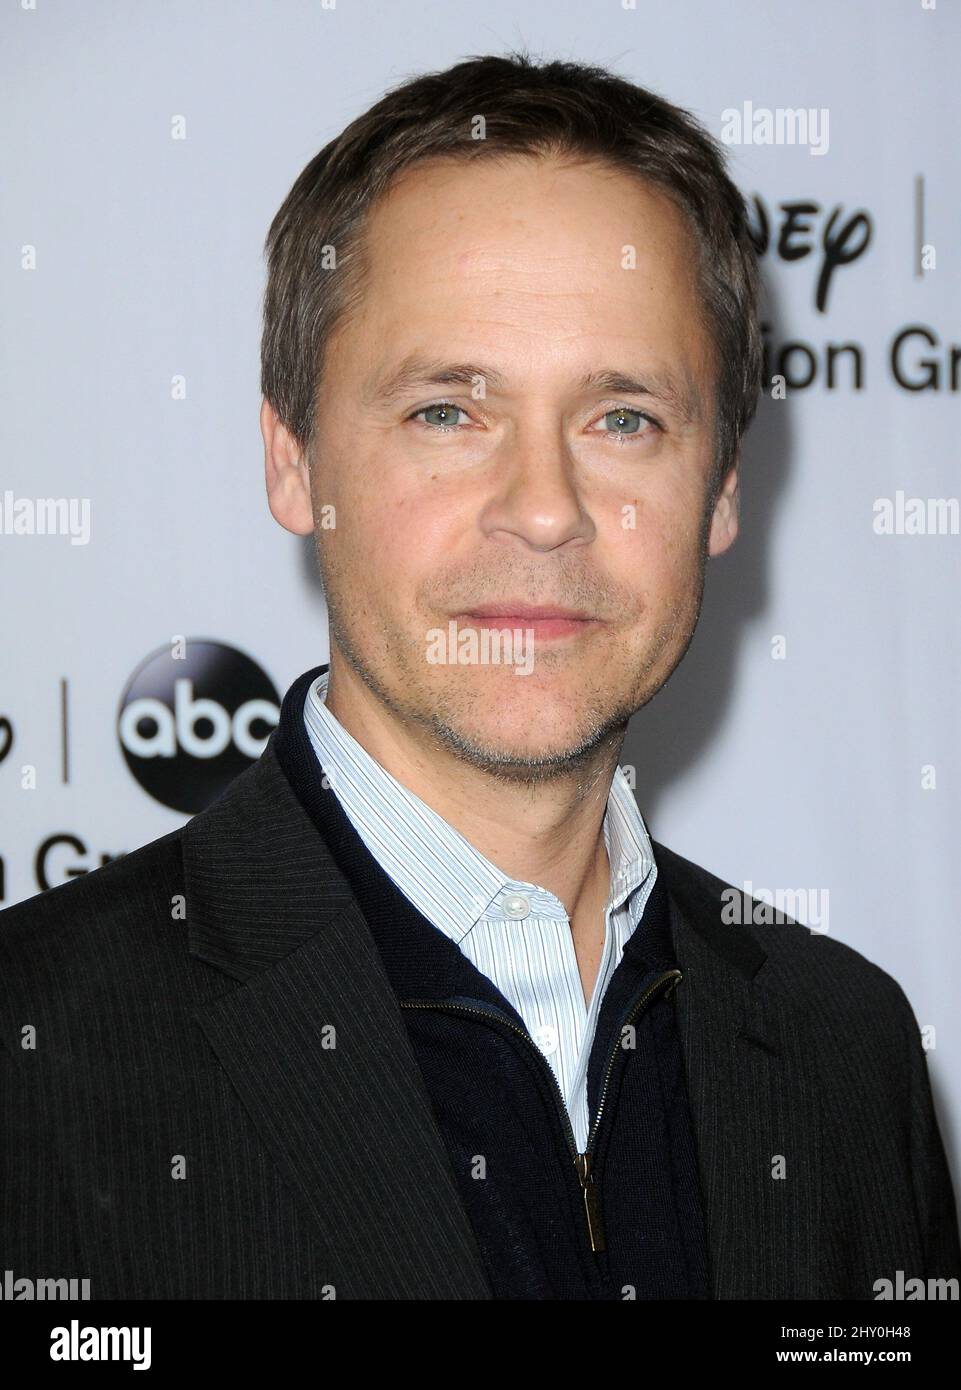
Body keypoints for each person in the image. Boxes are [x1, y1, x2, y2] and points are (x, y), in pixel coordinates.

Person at [2, 52, 958, 1301]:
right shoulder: (37, 1051)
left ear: (722, 487)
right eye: (447, 411)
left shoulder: (845, 1045)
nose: (545, 509)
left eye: (623, 418)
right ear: (293, 461)